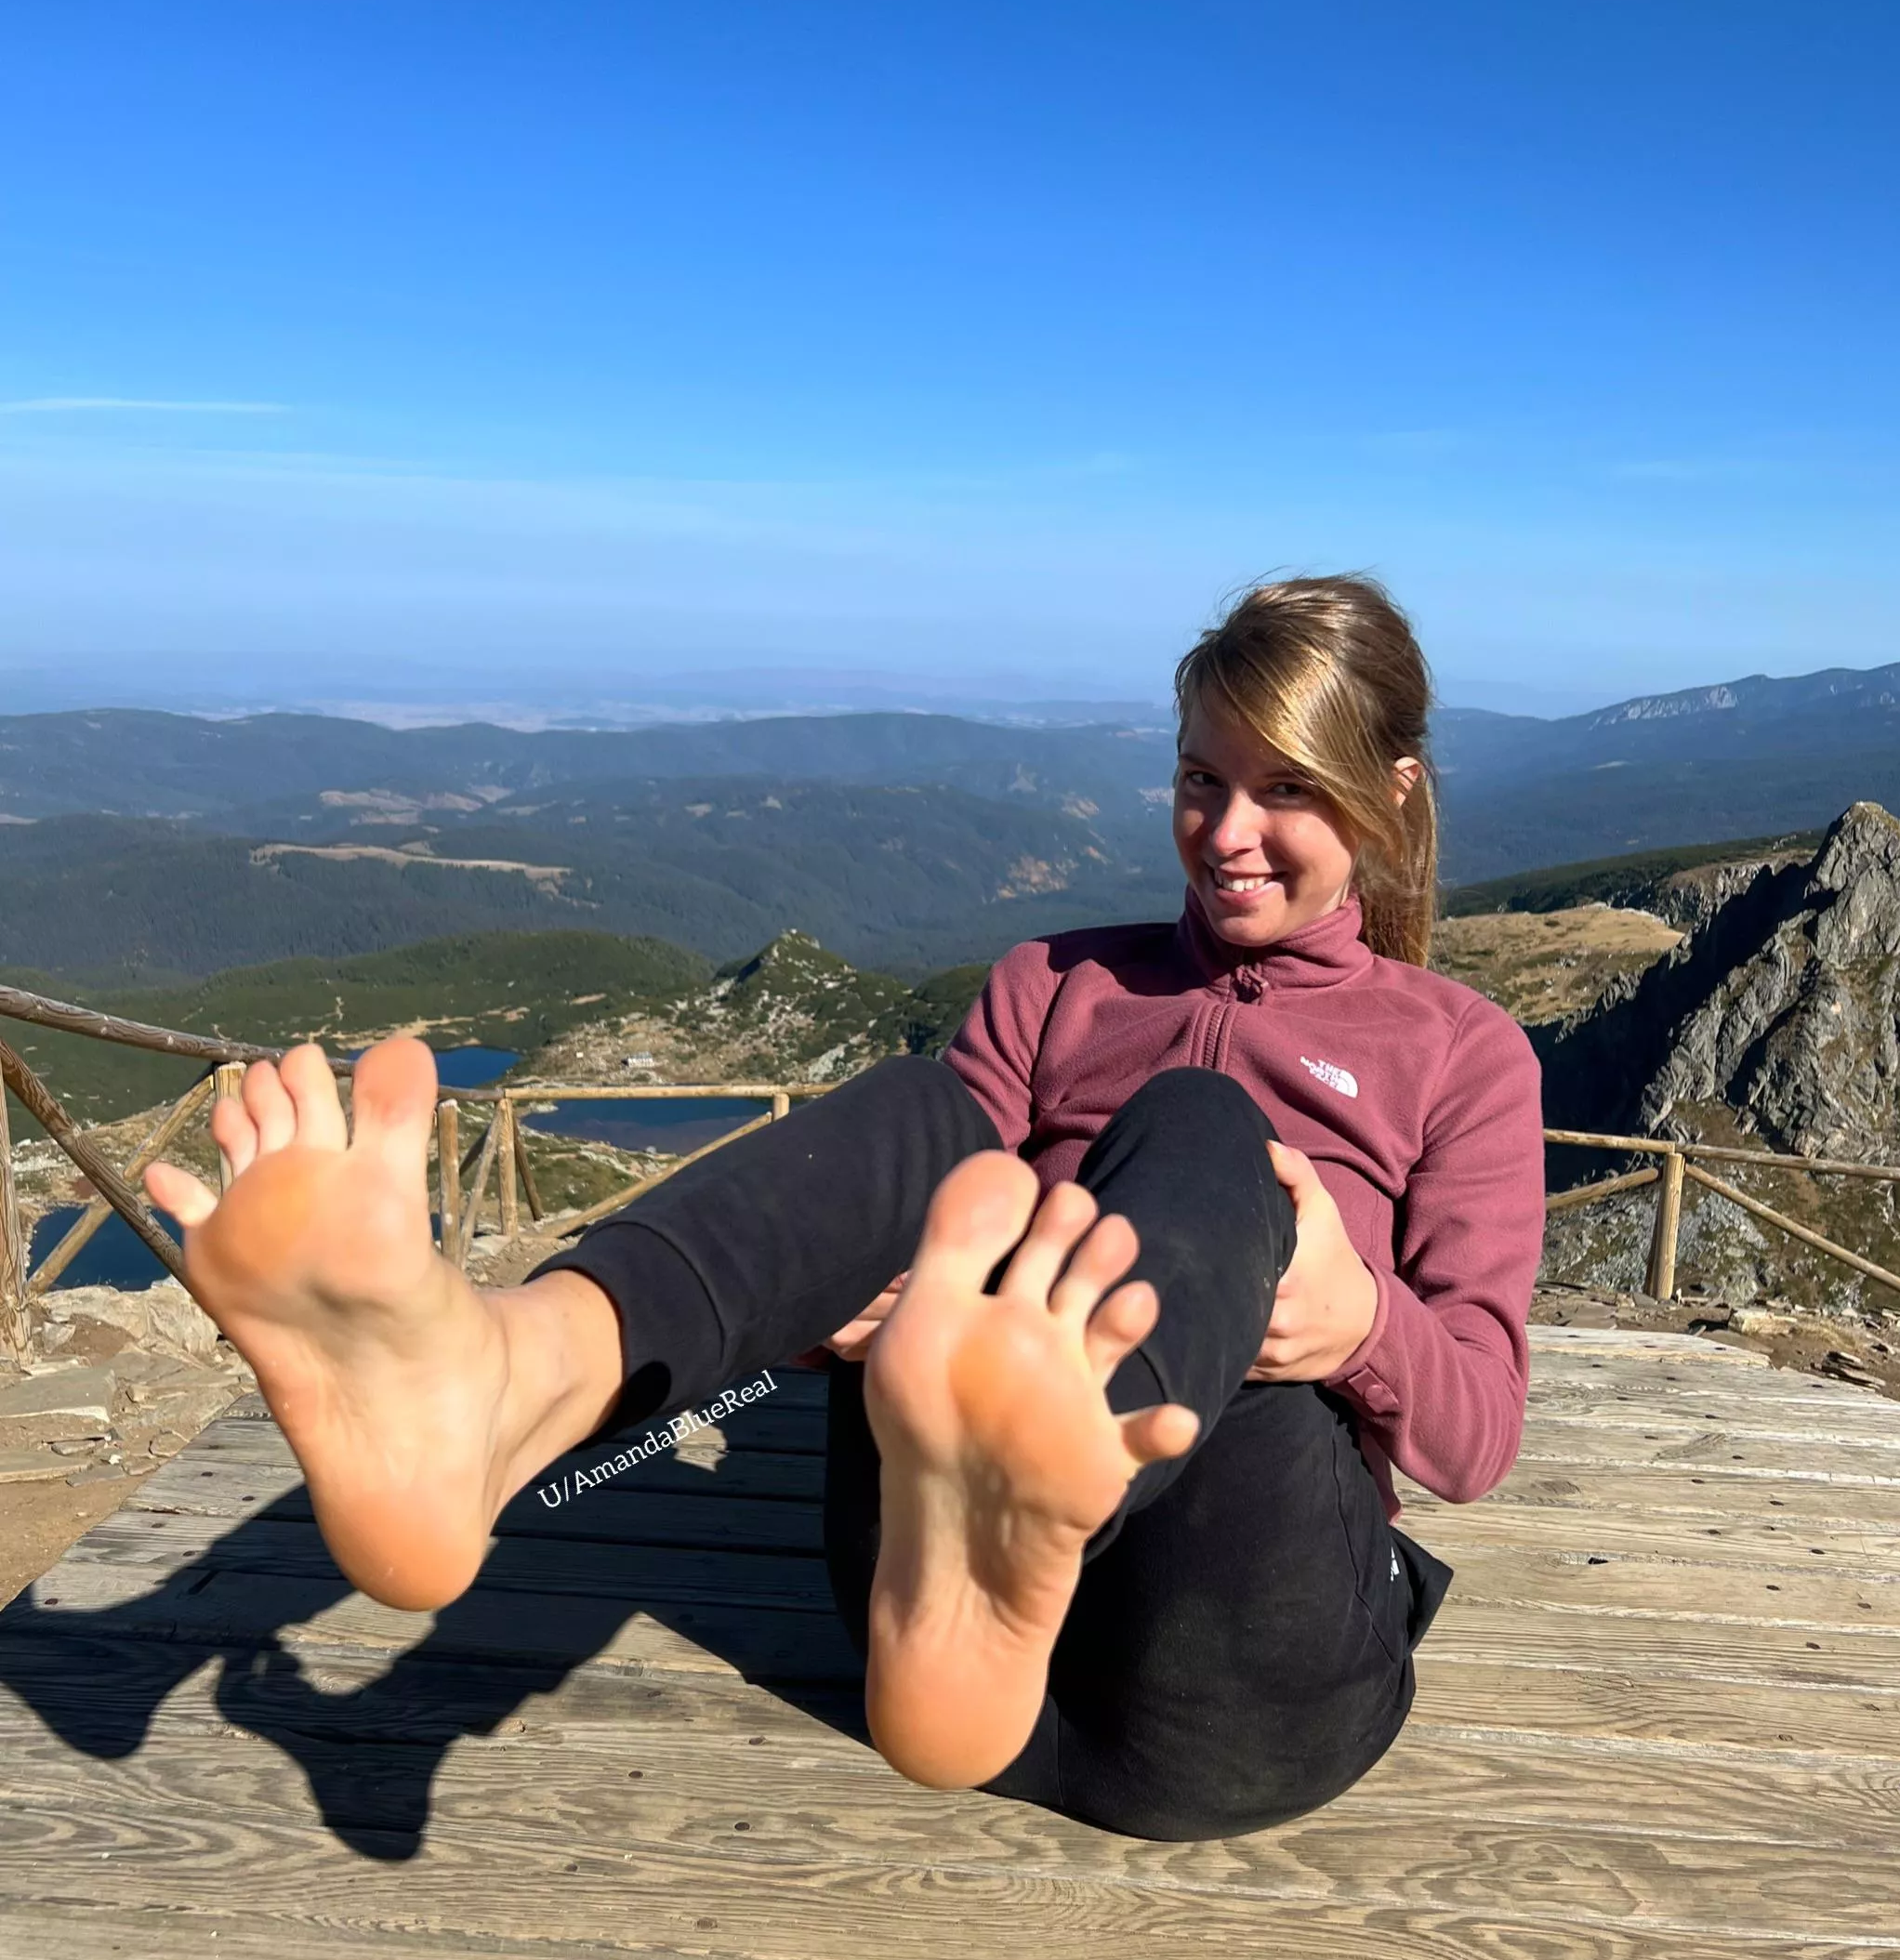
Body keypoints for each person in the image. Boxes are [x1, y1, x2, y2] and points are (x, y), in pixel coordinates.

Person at [148, 575, 1546, 1842]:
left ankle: (1039, 1487)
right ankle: (513, 1376)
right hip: (913, 1633)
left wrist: (1361, 1323)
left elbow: (1476, 1434)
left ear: (1391, 791)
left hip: (1231, 1683)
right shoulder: (1052, 983)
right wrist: (861, 1310)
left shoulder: (1461, 1052)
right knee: (923, 1114)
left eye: (1287, 788)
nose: (1228, 833)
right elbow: (853, 1244)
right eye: (1199, 778)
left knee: (1204, 1129)